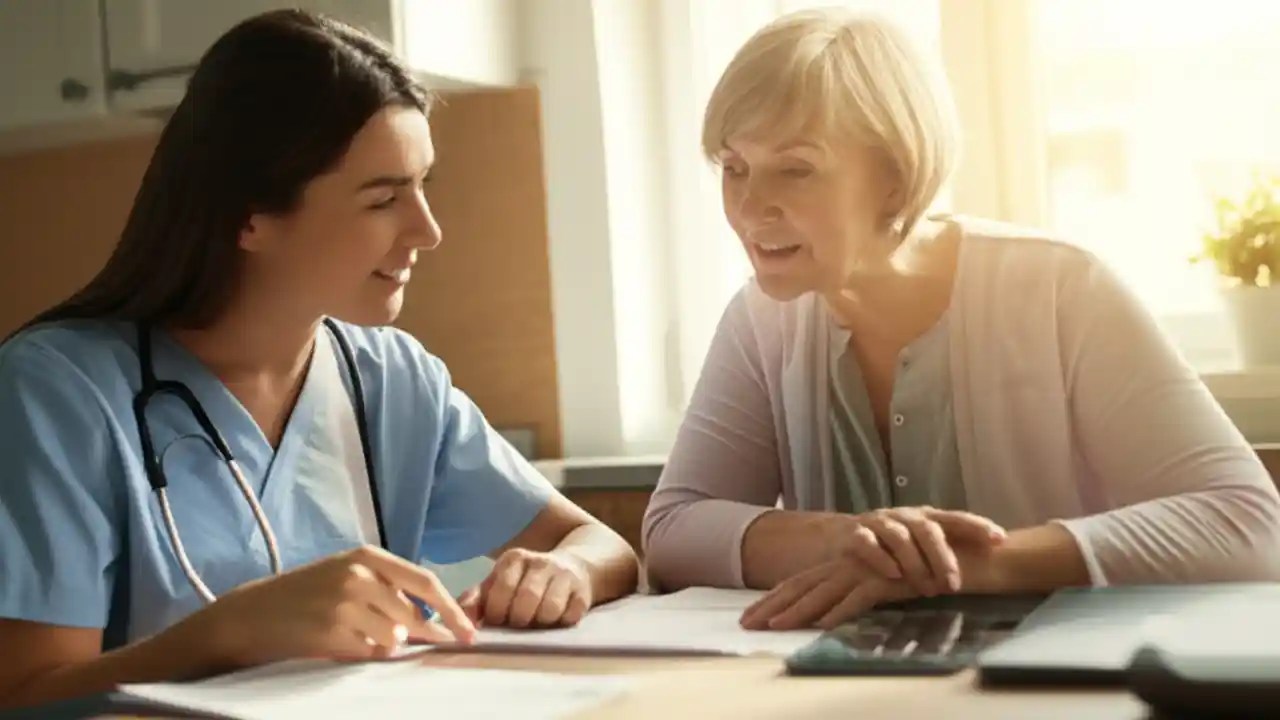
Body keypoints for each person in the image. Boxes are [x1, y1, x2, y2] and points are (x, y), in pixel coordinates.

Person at [0, 9, 638, 709]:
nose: (428, 230)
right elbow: (26, 697)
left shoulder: (394, 381)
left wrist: (563, 573)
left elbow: (600, 544)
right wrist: (230, 630)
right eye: (384, 199)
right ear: (249, 217)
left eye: (424, 186)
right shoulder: (55, 393)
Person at [642, 8, 1280, 631]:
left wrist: (967, 564)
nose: (751, 206)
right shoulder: (759, 321)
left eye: (797, 168)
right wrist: (852, 540)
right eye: (734, 168)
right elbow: (671, 531)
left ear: (894, 177)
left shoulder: (1060, 288)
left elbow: (1249, 525)